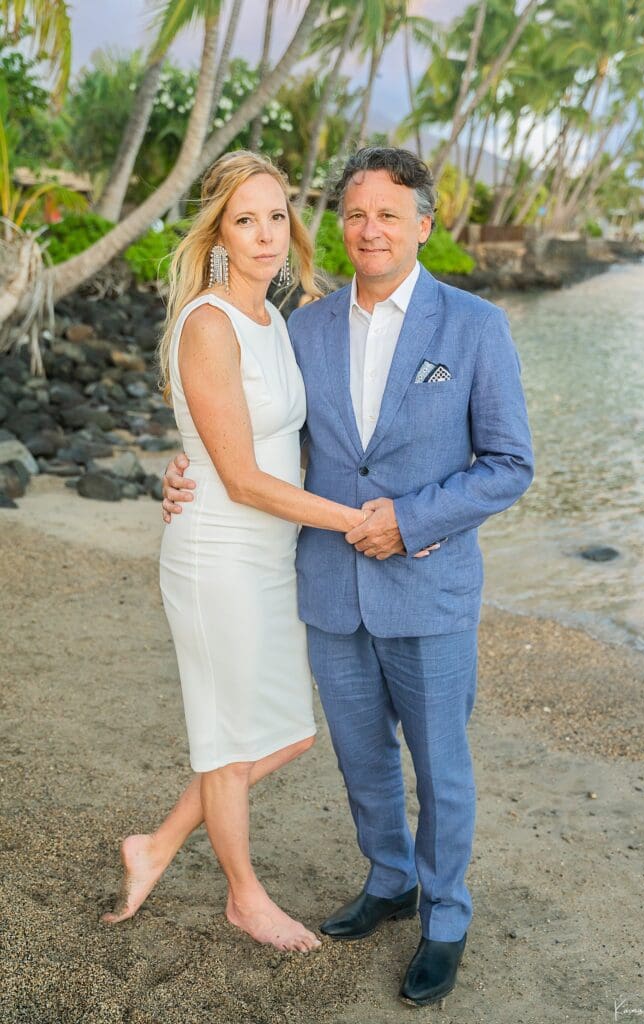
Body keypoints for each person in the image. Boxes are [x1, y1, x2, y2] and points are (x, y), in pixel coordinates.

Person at [165, 147, 534, 1006]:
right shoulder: (304, 327)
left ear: (423, 226)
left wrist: (411, 521)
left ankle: (444, 913)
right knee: (362, 761)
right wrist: (181, 469)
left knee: (440, 767)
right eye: (356, 214)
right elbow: (258, 440)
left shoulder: (474, 326)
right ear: (339, 224)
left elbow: (508, 464)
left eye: (389, 215)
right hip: (330, 587)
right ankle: (389, 879)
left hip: (429, 588)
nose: (371, 230)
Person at [100, 150, 386, 953]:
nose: (265, 235)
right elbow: (240, 477)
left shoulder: (275, 322)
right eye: (244, 220)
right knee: (228, 739)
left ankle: (155, 845)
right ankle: (244, 898)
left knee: (286, 731)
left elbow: (285, 441)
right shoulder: (208, 323)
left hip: (269, 556)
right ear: (218, 234)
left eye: (275, 216)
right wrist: (356, 521)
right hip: (217, 554)